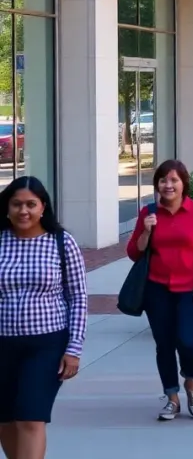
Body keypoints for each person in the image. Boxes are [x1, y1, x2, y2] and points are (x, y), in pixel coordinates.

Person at [0, 177, 88, 456]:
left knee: (30, 417)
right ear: (7, 207)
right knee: (5, 420)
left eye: (30, 204)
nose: (23, 211)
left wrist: (73, 349)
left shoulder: (62, 242)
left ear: (43, 207)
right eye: (16, 204)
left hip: (46, 344)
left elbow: (78, 297)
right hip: (2, 345)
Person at [126, 160, 193, 421]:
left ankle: (190, 381)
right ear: (157, 184)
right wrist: (146, 231)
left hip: (191, 288)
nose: (168, 185)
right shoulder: (148, 212)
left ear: (183, 183)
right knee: (164, 345)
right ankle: (172, 398)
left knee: (187, 341)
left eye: (174, 180)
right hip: (157, 288)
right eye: (163, 180)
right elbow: (134, 253)